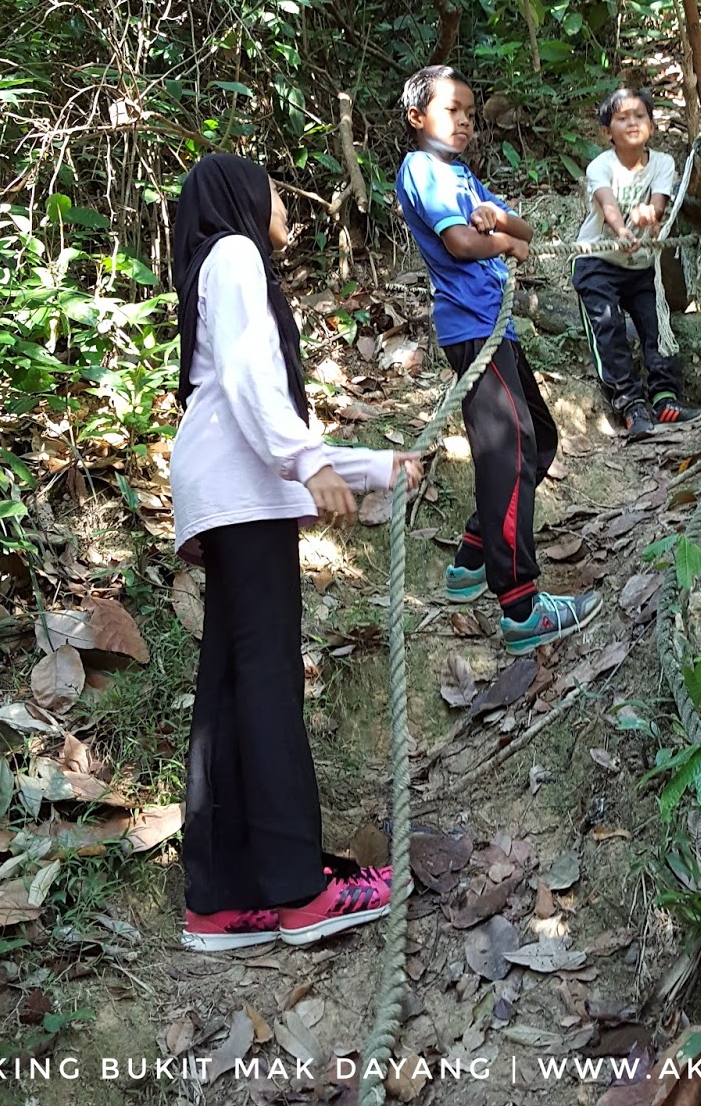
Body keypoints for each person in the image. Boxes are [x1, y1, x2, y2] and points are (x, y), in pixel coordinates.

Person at [171, 152, 421, 952]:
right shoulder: (237, 254)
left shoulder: (216, 269)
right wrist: (310, 463)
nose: (286, 203)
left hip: (228, 494)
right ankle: (298, 893)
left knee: (234, 690)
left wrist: (373, 467)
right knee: (268, 686)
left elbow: (246, 404)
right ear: (244, 197)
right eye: (276, 189)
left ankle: (225, 897)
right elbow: (251, 381)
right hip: (241, 502)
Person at [396, 65, 601, 654]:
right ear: (418, 118)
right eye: (450, 110)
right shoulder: (424, 169)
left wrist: (499, 220)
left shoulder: (461, 175)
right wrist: (500, 240)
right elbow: (460, 244)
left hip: (497, 326)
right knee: (509, 453)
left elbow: (525, 227)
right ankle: (520, 608)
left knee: (536, 438)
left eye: (468, 112)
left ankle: (470, 560)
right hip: (473, 328)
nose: (463, 121)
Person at [573, 87, 701, 441]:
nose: (632, 122)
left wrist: (651, 215)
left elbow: (659, 204)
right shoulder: (601, 165)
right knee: (609, 328)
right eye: (622, 117)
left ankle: (665, 398)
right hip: (597, 260)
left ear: (652, 125)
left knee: (657, 326)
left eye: (640, 115)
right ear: (606, 132)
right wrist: (621, 230)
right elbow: (607, 202)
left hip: (643, 266)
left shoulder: (663, 163)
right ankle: (631, 405)